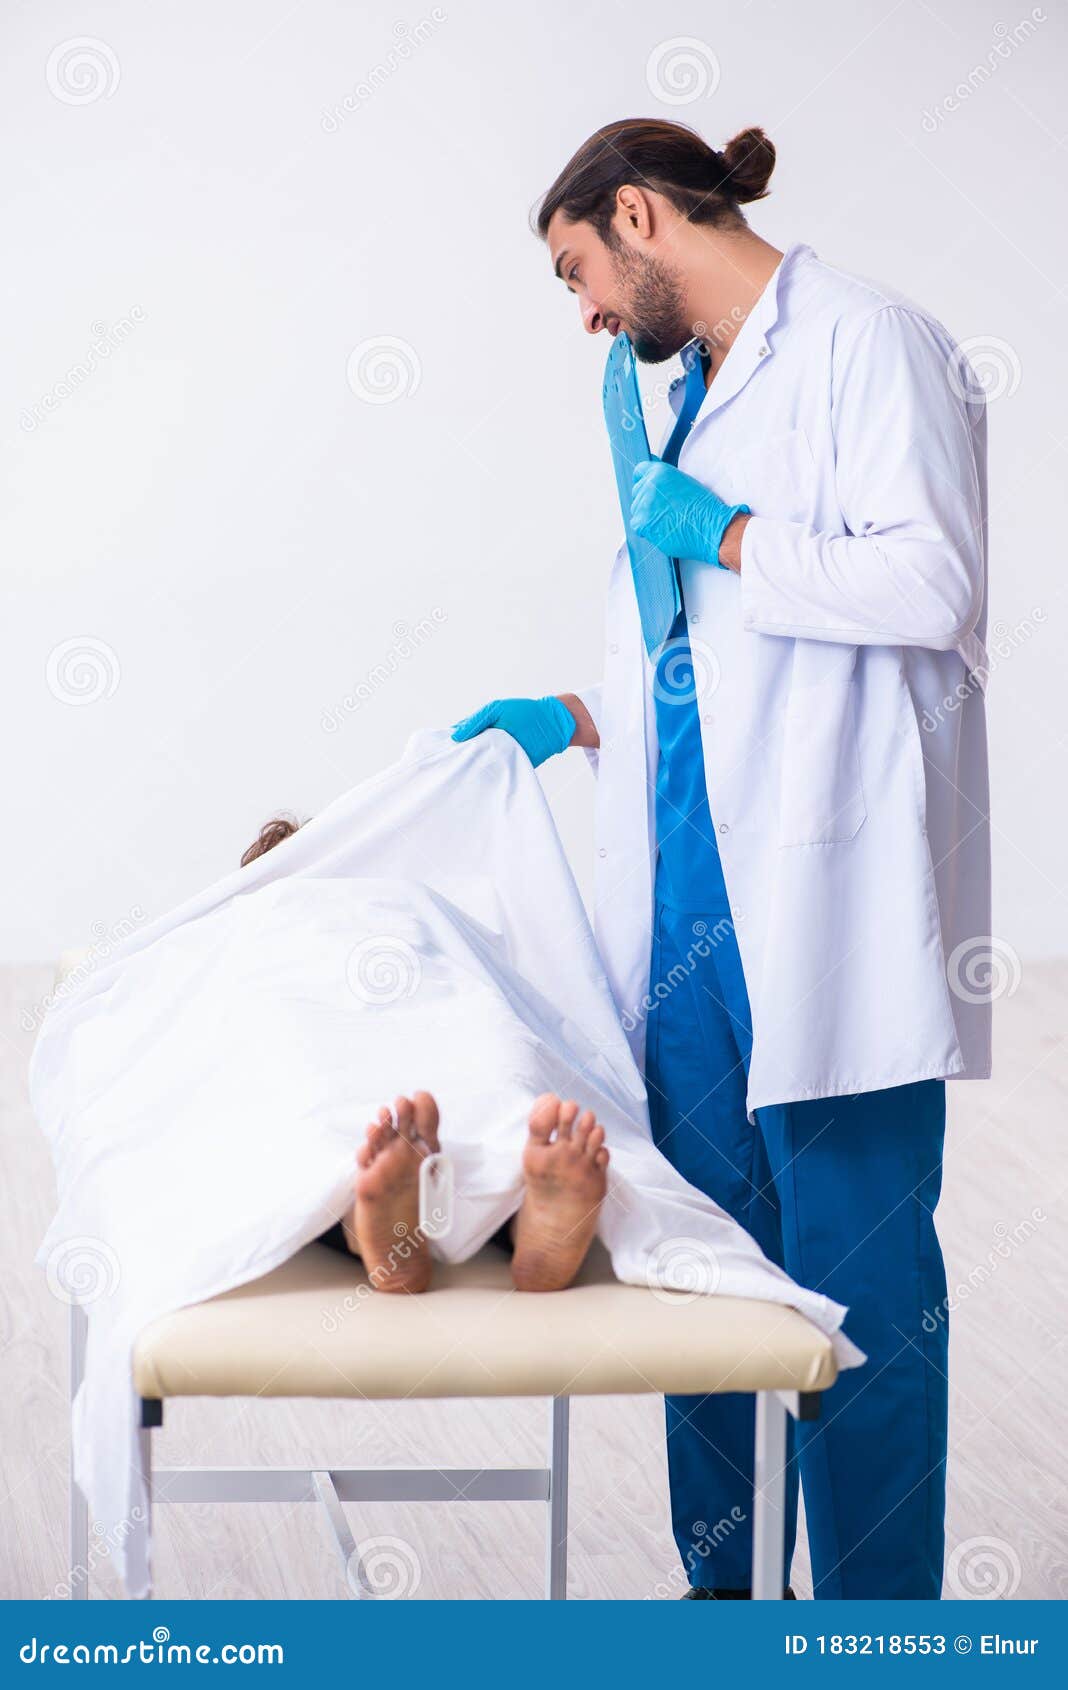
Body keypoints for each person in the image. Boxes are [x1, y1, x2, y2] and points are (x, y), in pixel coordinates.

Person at [452, 119, 990, 1600]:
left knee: (859, 1288)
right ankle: (721, 1615)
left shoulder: (872, 343)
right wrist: (568, 715)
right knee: (702, 1279)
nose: (582, 314)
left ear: (637, 214)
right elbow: (699, 664)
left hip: (834, 915)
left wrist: (734, 531)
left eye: (578, 272)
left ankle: (878, 1629)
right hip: (690, 920)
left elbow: (933, 580)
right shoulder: (671, 396)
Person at [238, 816, 611, 1296]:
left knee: (329, 1125)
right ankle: (520, 1223)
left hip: (421, 1012)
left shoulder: (407, 905)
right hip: (347, 1030)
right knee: (321, 1099)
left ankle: (382, 1227)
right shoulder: (257, 936)